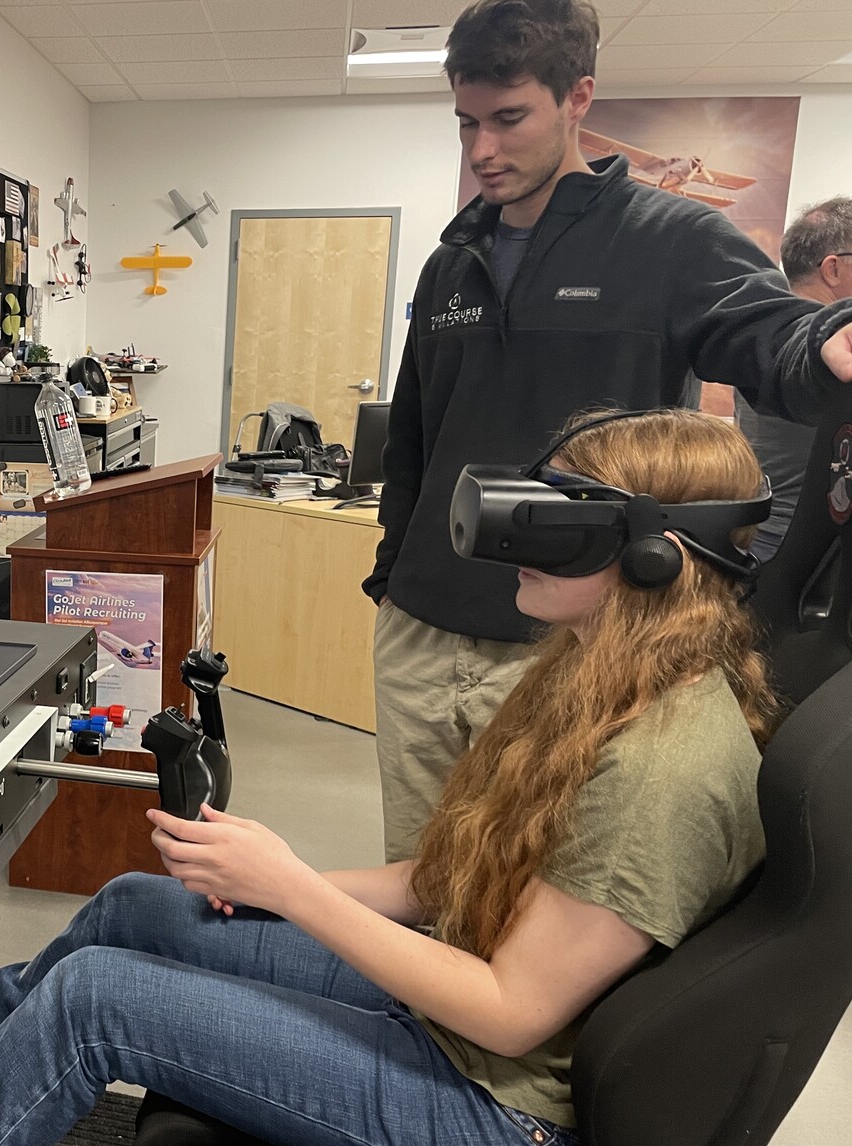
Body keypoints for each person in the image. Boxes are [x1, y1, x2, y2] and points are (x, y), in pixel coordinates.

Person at [0, 408, 777, 1146]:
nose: (517, 541)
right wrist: (266, 881)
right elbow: (442, 883)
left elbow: (513, 1014)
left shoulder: (661, 766)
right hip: (457, 1025)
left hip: (500, 1128)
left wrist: (289, 885)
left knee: (98, 997)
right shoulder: (595, 674)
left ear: (653, 554)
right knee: (135, 907)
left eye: (559, 521)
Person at [363, 0, 852, 863]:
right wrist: (391, 570)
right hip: (423, 629)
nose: (482, 150)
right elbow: (413, 434)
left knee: (530, 892)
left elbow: (771, 334)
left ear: (578, 97)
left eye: (509, 118)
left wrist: (824, 342)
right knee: (420, 873)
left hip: (573, 639)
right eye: (467, 122)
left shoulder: (671, 239)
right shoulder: (451, 263)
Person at [735, 198, 852, 560]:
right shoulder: (834, 350)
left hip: (757, 538)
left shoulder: (764, 339)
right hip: (806, 555)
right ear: (832, 269)